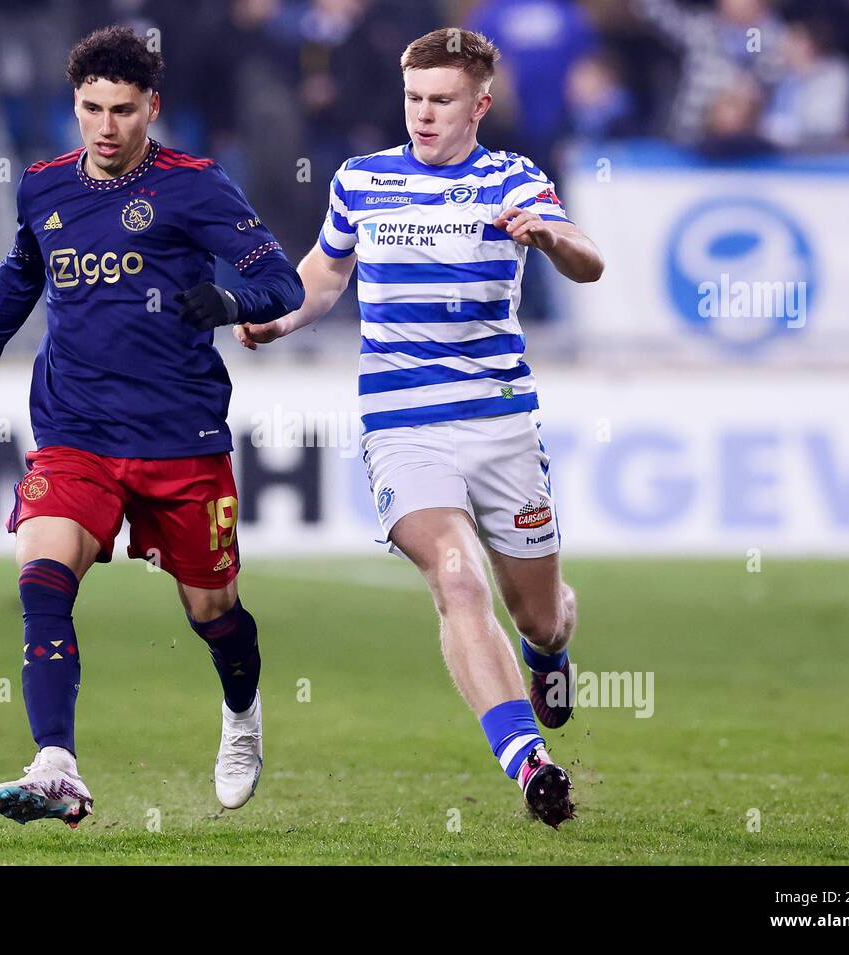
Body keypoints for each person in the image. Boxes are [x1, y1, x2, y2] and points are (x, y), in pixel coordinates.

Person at [0, 26, 304, 827]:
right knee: (42, 580)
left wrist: (233, 303)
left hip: (180, 437)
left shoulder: (197, 187)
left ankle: (242, 714)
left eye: (123, 110)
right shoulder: (43, 187)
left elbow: (280, 282)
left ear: (152, 108)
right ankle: (57, 760)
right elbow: (20, 278)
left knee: (213, 612)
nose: (105, 126)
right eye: (91, 108)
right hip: (75, 430)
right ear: (75, 104)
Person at [236, 27, 603, 828]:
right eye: (414, 99)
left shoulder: (514, 180)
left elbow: (587, 259)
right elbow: (328, 273)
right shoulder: (362, 180)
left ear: (481, 104)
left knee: (541, 612)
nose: (424, 115)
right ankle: (530, 762)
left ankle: (550, 655)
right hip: (403, 423)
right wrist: (277, 316)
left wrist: (546, 235)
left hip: (502, 426)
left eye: (441, 101)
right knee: (456, 576)